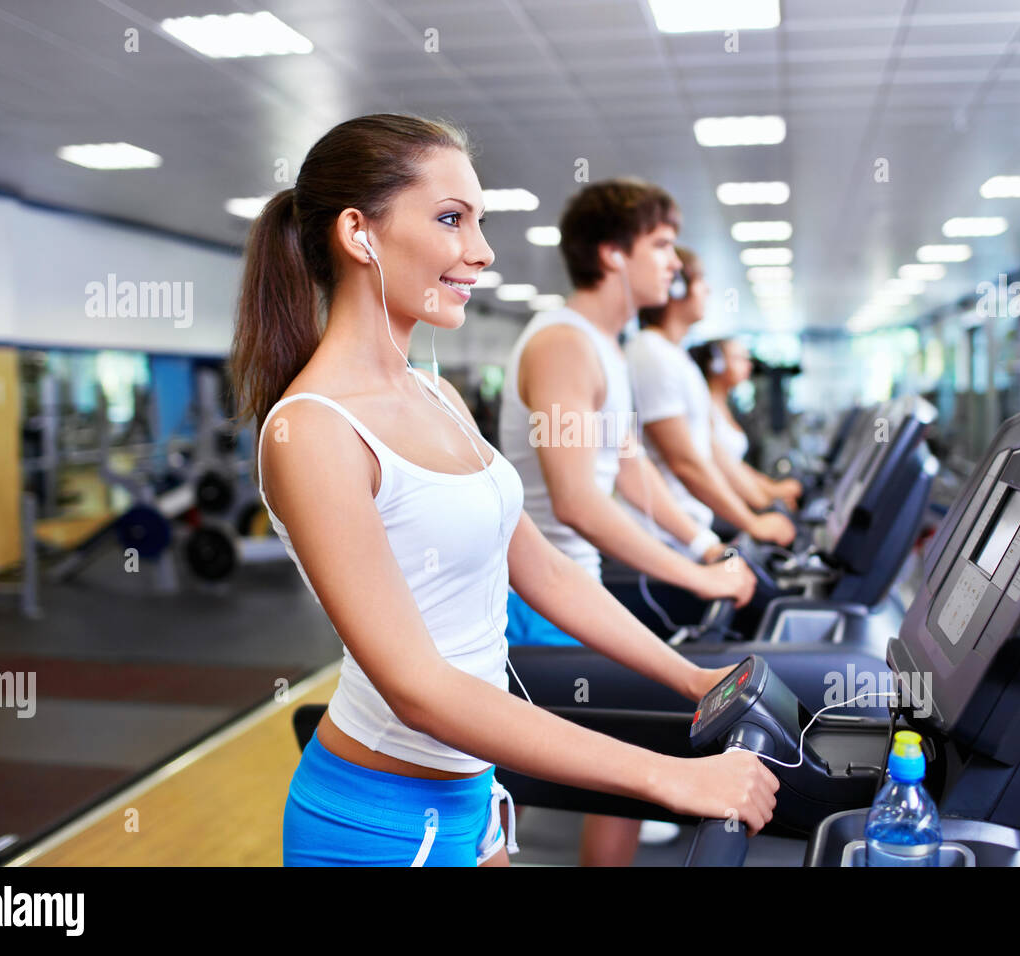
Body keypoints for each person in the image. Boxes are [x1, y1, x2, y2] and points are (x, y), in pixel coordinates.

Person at [229, 114, 777, 867]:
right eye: (453, 219)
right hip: (378, 824)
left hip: (473, 798)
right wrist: (669, 779)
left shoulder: (439, 397)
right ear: (359, 234)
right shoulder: (312, 431)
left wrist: (690, 677)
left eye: (478, 222)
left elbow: (543, 567)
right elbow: (420, 688)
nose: (481, 252)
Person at [499, 179, 757, 866]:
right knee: (596, 763)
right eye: (662, 245)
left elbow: (629, 468)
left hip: (567, 587)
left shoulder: (604, 345)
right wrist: (698, 580)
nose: (675, 263)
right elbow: (578, 500)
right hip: (532, 597)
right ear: (613, 253)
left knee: (534, 781)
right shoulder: (563, 345)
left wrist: (706, 547)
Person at [626, 247, 797, 550]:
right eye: (701, 280)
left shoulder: (676, 357)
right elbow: (685, 463)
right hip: (661, 537)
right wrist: (753, 521)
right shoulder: (651, 354)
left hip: (686, 530)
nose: (709, 289)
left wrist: (765, 497)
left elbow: (713, 453)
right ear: (676, 287)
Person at [690, 338, 803, 512]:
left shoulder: (727, 407)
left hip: (734, 498)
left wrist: (772, 489)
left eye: (747, 359)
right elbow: (725, 467)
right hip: (718, 506)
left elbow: (737, 465)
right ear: (716, 364)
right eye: (738, 359)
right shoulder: (704, 408)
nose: (748, 365)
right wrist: (768, 499)